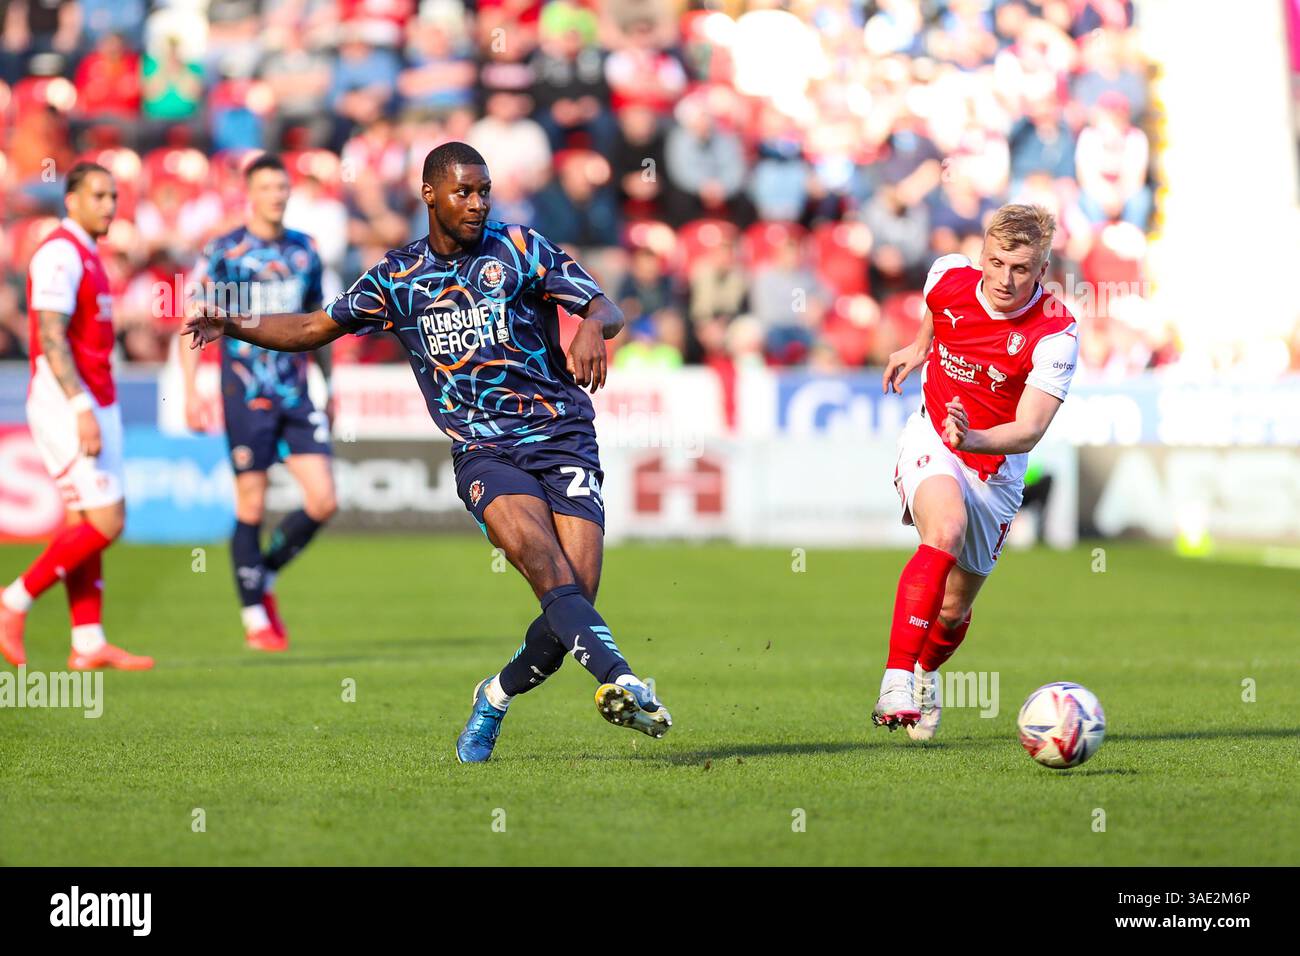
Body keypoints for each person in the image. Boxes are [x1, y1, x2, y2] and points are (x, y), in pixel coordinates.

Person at [184, 142, 671, 761]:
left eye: (484, 190)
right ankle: (621, 679)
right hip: (483, 452)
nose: (477, 203)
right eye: (464, 192)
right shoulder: (397, 276)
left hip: (563, 435)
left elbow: (604, 304)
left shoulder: (521, 247)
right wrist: (231, 322)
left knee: (574, 602)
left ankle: (494, 695)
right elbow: (312, 328)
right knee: (545, 567)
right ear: (430, 196)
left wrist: (592, 327)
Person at [876, 203, 1079, 740]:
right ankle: (896, 678)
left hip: (995, 468)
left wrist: (974, 439)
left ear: (1042, 270)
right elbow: (936, 312)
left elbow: (1031, 428)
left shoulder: (1055, 333)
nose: (1005, 280)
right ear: (981, 254)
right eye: (996, 262)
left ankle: (924, 672)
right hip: (932, 435)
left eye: (1021, 269)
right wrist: (920, 347)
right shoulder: (947, 275)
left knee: (953, 608)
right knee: (944, 529)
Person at [0, 162, 154, 671]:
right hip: (67, 403)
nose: (109, 205)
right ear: (71, 200)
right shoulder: (61, 254)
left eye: (113, 196)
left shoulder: (87, 253)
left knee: (88, 519)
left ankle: (87, 642)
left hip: (95, 398)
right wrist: (80, 407)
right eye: (98, 196)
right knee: (107, 521)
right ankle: (13, 601)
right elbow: (49, 335)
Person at [180, 153, 336, 652]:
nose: (277, 195)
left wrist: (330, 387)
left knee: (323, 500)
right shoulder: (226, 251)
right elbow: (192, 318)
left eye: (282, 187)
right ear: (250, 192)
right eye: (268, 187)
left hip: (294, 389)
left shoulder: (304, 250)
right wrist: (188, 389)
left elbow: (318, 324)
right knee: (251, 500)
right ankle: (254, 616)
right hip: (245, 390)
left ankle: (260, 575)